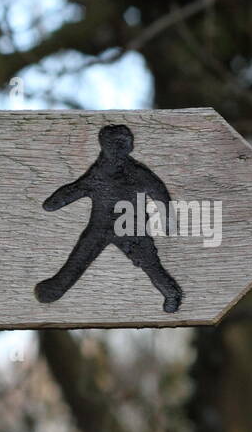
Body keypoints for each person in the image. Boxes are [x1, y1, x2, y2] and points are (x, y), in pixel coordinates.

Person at [35, 124, 184, 313]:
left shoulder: (138, 173)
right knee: (80, 256)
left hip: (131, 227)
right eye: (114, 144)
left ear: (130, 147)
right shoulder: (98, 173)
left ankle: (171, 292)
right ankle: (56, 287)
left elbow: (160, 194)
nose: (118, 149)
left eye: (123, 144)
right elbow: (77, 188)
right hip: (100, 227)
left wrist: (168, 222)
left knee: (149, 263)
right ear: (103, 145)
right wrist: (55, 202)